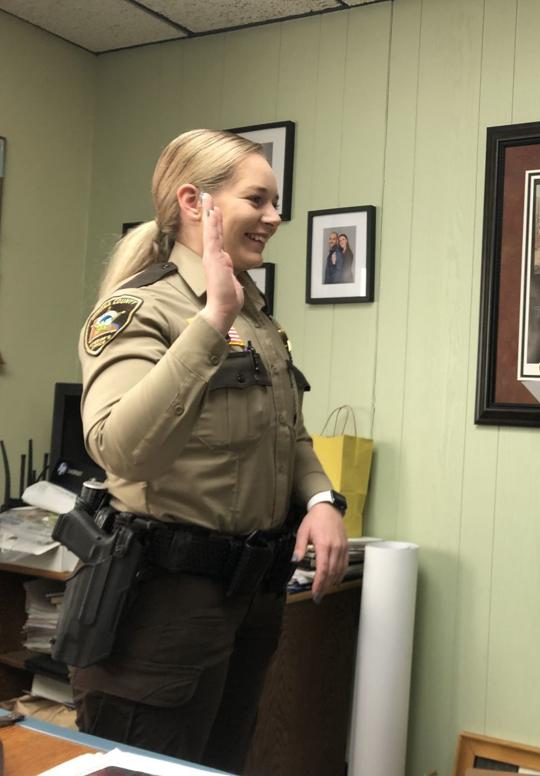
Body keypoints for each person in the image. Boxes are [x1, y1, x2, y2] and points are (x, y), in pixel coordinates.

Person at [70, 128, 349, 772]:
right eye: (259, 200)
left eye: (276, 202)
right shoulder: (140, 308)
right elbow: (117, 448)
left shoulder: (254, 314)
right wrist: (209, 322)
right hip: (162, 607)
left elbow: (290, 432)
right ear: (196, 202)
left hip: (249, 599)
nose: (276, 217)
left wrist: (321, 499)